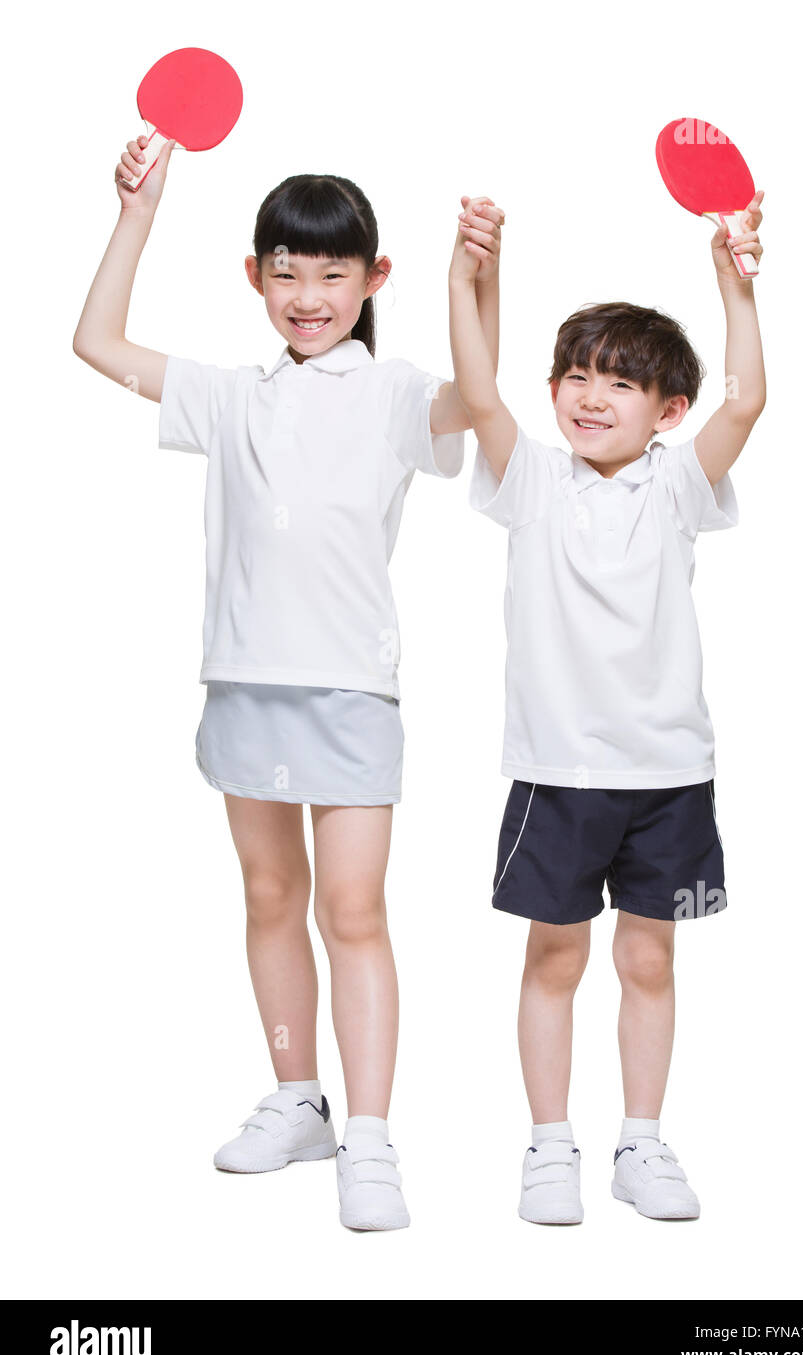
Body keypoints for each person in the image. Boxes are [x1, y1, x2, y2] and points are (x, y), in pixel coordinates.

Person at [72, 135, 501, 1231]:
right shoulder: (230, 395)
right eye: (285, 270)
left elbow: (480, 394)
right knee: (270, 899)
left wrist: (476, 279)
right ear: (255, 276)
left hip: (351, 692)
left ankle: (368, 1136)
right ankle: (295, 1098)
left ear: (372, 280)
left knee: (354, 910)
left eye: (331, 273)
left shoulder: (398, 391)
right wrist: (138, 211)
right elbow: (95, 341)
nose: (307, 295)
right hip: (242, 686)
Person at [449, 191, 765, 1222]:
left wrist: (732, 282)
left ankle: (641, 1142)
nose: (590, 397)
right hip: (557, 772)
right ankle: (549, 1146)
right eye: (575, 378)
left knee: (646, 955)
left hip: (667, 775)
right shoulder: (531, 481)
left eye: (618, 384)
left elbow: (747, 401)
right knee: (554, 953)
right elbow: (476, 387)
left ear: (664, 411)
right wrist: (471, 273)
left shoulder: (677, 486)